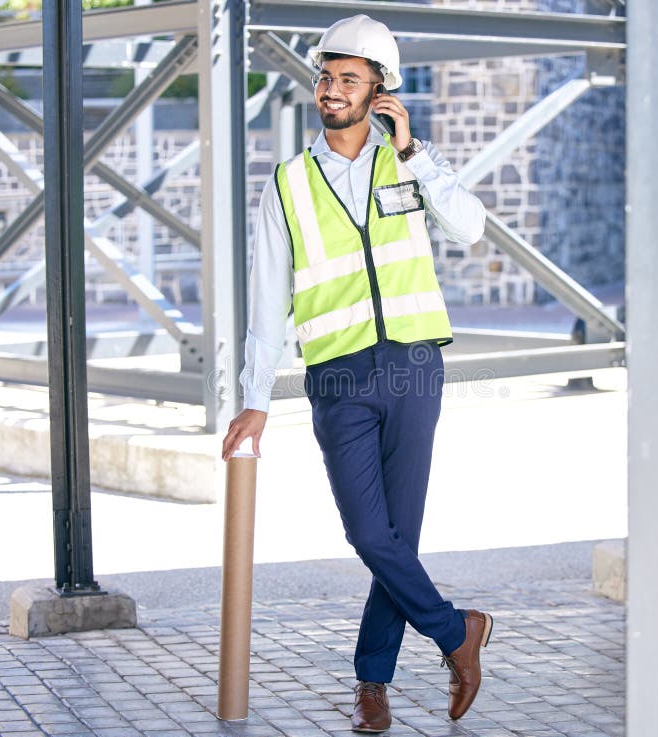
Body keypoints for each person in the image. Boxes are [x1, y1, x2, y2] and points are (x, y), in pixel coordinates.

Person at [221, 14, 492, 732]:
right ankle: (455, 631)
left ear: (379, 92)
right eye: (326, 76)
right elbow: (266, 299)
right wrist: (254, 400)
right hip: (338, 377)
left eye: (350, 79)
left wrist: (415, 154)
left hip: (412, 366)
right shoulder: (287, 183)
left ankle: (373, 679)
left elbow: (471, 227)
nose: (332, 89)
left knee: (399, 536)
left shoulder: (406, 162)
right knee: (370, 533)